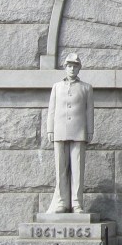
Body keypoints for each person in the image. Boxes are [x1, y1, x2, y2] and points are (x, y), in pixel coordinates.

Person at [46, 53, 94, 214]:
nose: (72, 69)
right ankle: (61, 202)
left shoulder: (86, 88)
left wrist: (90, 130)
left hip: (78, 131)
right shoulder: (56, 87)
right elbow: (51, 110)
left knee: (77, 169)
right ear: (65, 67)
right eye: (69, 66)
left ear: (79, 68)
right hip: (59, 130)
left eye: (75, 66)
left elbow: (89, 111)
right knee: (61, 168)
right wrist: (50, 129)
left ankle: (76, 203)